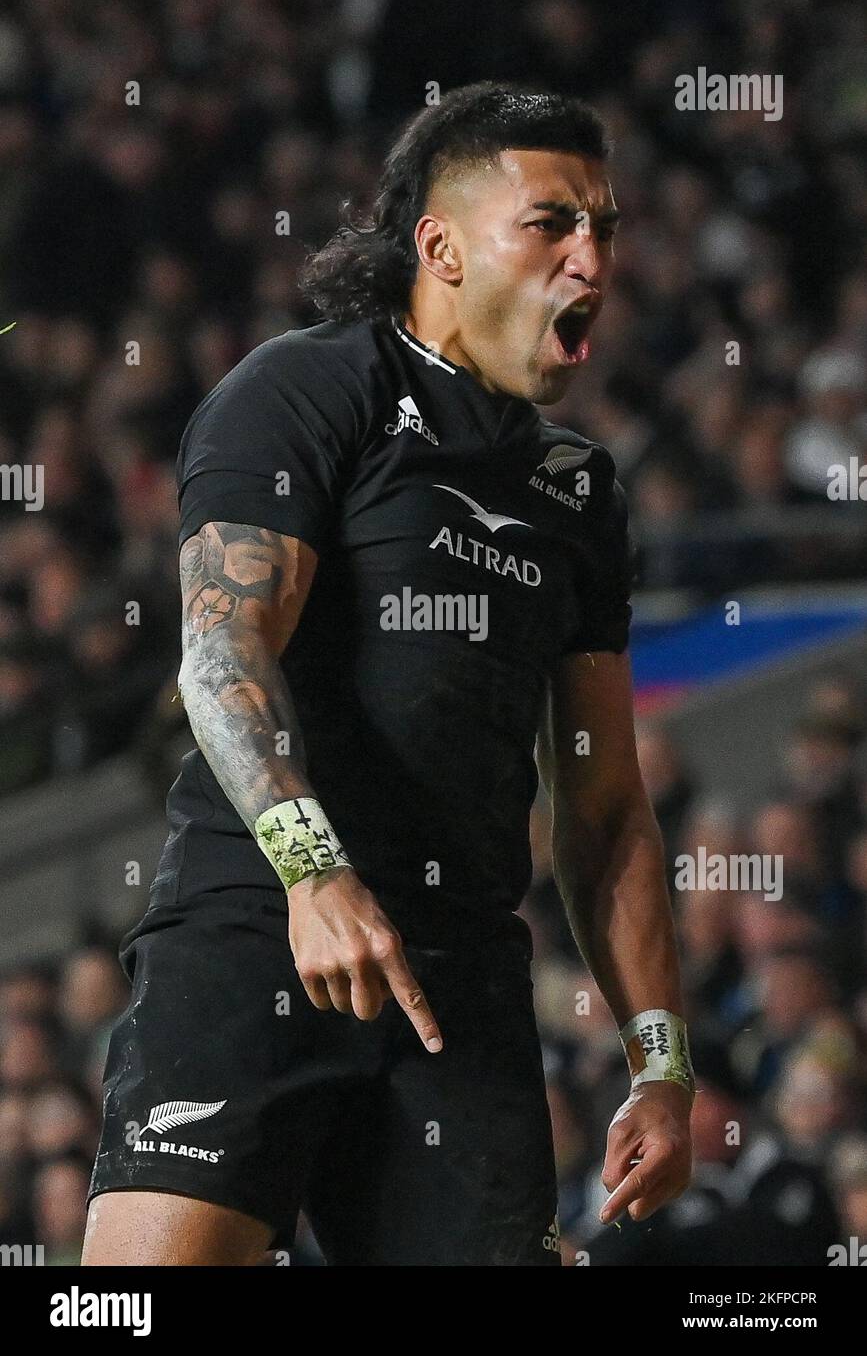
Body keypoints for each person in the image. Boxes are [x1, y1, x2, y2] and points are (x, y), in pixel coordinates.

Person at [83, 82, 693, 1267]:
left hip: (455, 978)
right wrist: (315, 875)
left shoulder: (578, 489)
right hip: (263, 920)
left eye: (606, 228)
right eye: (553, 223)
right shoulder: (309, 388)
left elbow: (606, 803)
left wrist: (659, 1067)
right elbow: (222, 650)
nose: (591, 260)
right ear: (441, 246)